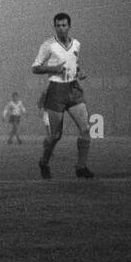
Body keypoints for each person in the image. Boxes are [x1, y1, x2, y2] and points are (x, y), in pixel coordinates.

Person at [32, 12, 93, 179]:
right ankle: (43, 162)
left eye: (64, 25)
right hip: (56, 91)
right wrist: (53, 69)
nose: (61, 28)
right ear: (54, 27)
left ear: (69, 26)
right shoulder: (48, 45)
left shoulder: (76, 44)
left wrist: (80, 71)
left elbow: (75, 62)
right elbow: (35, 67)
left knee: (86, 129)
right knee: (55, 136)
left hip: (73, 88)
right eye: (58, 25)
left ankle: (81, 167)